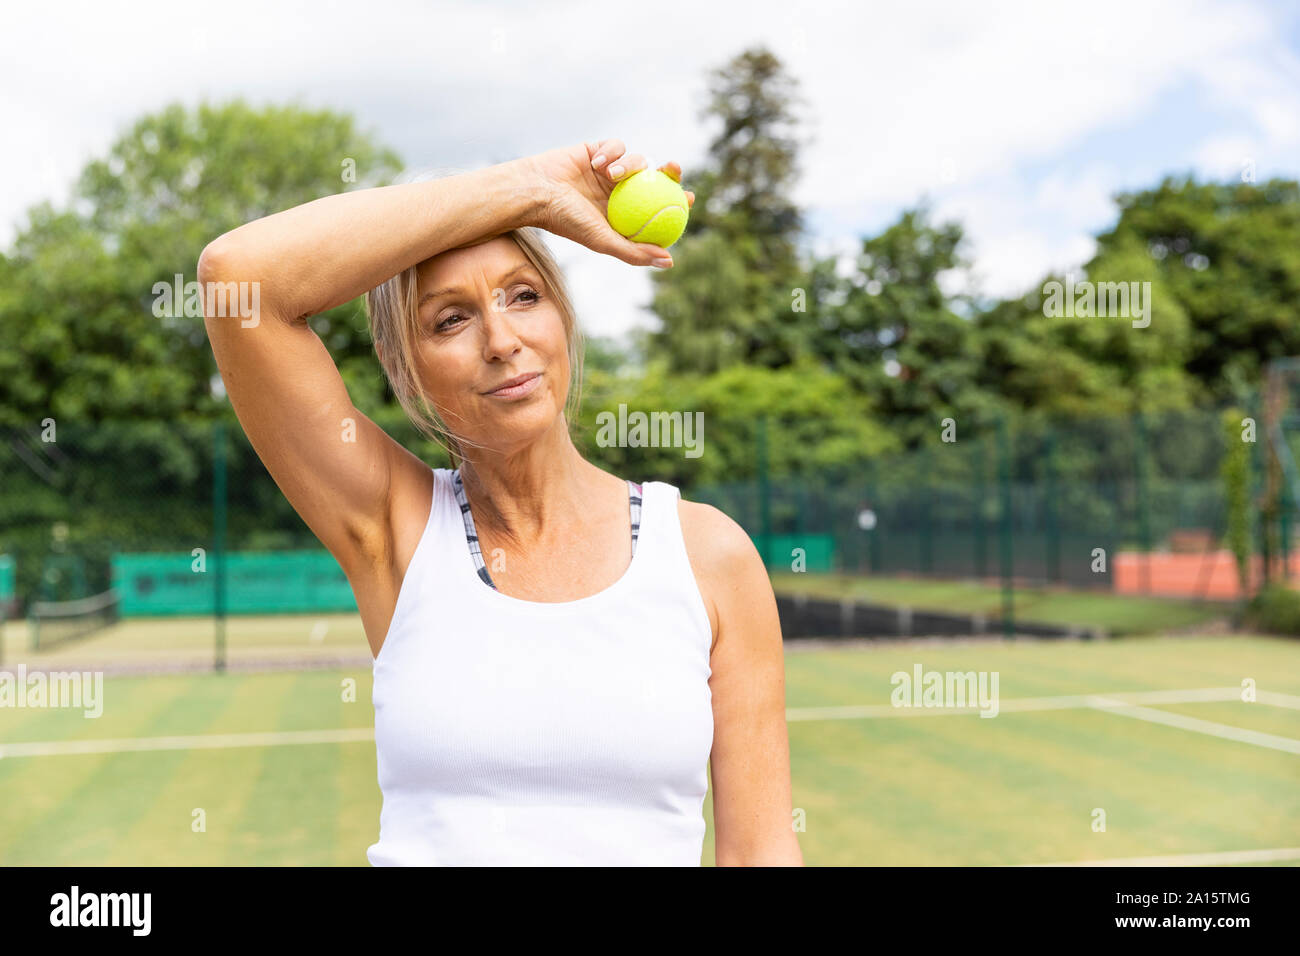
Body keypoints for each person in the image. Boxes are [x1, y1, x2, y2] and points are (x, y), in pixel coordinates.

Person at [199, 137, 801, 866]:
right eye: (450, 319)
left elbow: (762, 854)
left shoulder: (709, 555)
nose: (502, 339)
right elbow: (239, 281)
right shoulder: (396, 530)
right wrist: (530, 188)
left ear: (564, 322)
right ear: (406, 371)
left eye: (524, 296)